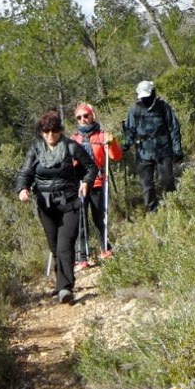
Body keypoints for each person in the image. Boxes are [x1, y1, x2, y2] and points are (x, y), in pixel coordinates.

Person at [16, 109, 97, 303]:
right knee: (54, 246)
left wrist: (86, 182)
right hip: (46, 206)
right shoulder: (35, 149)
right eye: (46, 131)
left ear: (60, 130)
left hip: (70, 203)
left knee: (64, 246)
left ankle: (65, 287)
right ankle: (61, 282)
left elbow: (91, 167)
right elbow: (25, 173)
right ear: (41, 132)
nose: (50, 135)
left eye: (54, 131)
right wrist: (22, 189)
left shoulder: (71, 146)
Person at [71, 102, 122, 266]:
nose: (83, 119)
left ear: (93, 116)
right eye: (79, 117)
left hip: (98, 182)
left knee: (100, 217)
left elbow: (116, 156)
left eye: (86, 115)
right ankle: (83, 257)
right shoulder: (74, 139)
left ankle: (105, 248)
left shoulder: (102, 136)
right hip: (79, 184)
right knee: (80, 219)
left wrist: (112, 142)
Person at [122, 80, 182, 213]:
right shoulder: (134, 110)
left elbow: (174, 128)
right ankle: (152, 212)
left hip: (163, 150)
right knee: (147, 185)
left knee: (167, 181)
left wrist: (177, 150)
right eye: (143, 97)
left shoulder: (163, 107)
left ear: (153, 93)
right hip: (143, 154)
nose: (145, 99)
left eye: (147, 96)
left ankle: (173, 210)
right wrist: (125, 145)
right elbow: (130, 130)